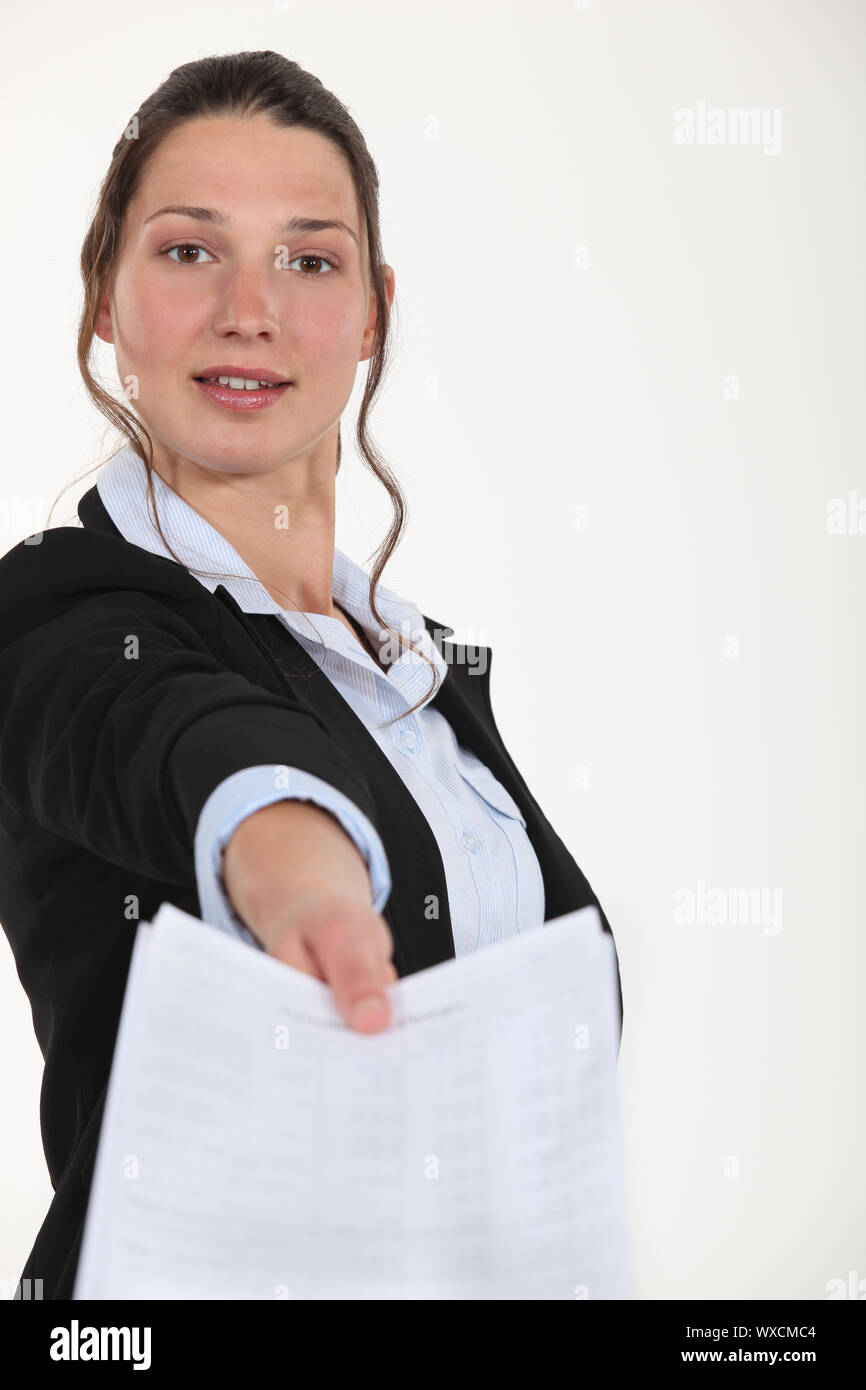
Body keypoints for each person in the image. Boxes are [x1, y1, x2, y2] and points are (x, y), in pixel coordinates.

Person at [0, 49, 623, 1301]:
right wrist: (300, 872)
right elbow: (170, 734)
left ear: (374, 309)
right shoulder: (55, 613)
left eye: (308, 258)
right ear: (103, 298)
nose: (250, 310)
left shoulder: (414, 678)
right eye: (188, 251)